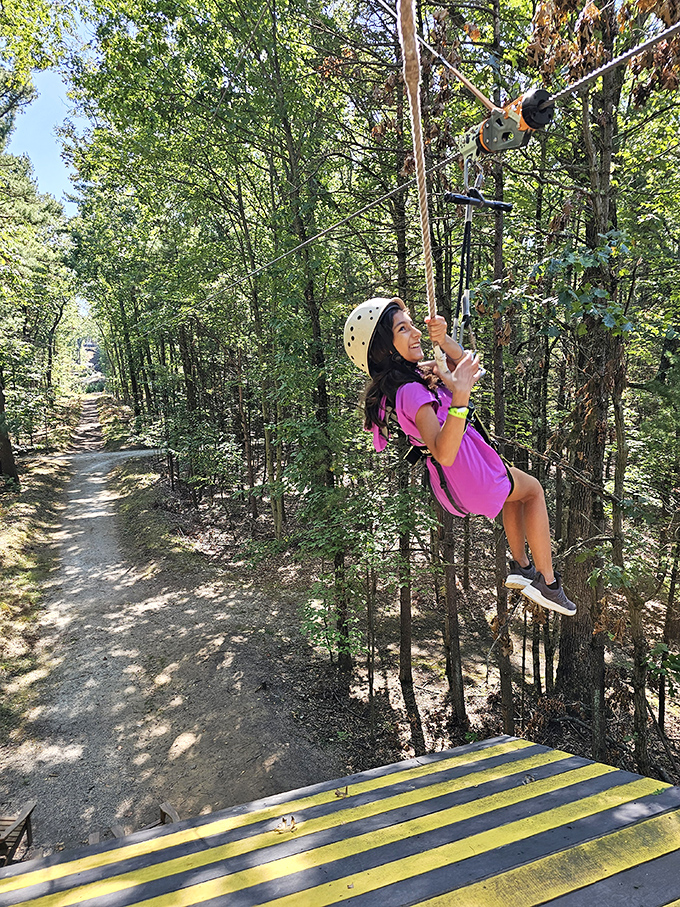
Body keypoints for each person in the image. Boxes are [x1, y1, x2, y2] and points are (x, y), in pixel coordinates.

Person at [344, 296, 575, 617]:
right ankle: (547, 583)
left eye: (412, 325)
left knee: (516, 495)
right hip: (466, 468)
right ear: (384, 348)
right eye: (403, 329)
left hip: (462, 476)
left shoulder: (410, 379)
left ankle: (523, 567)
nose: (416, 332)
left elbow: (467, 365)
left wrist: (444, 340)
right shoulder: (411, 391)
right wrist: (461, 395)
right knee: (534, 491)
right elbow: (443, 450)